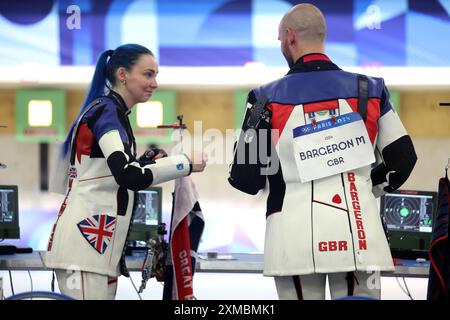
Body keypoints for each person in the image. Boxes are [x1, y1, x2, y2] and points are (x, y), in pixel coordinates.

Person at [228, 4, 417, 300]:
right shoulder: (371, 89)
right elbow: (403, 159)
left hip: (292, 239)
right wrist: (368, 185)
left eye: (280, 40)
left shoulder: (264, 98)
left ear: (290, 37)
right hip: (360, 234)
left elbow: (244, 177)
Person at [44, 44, 207, 300]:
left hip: (94, 251)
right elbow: (129, 176)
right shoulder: (108, 111)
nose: (154, 83)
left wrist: (145, 161)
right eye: (148, 74)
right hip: (85, 250)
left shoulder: (110, 111)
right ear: (122, 74)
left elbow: (111, 173)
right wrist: (183, 163)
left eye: (155, 75)